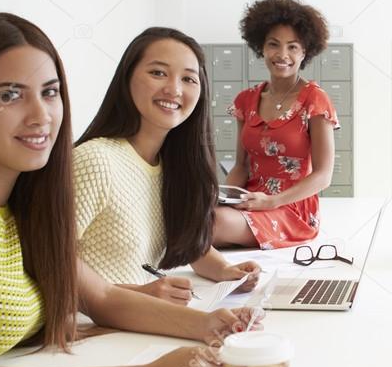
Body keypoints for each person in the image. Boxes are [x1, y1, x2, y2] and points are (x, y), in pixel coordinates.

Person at [0, 11, 260, 367]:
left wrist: (213, 325)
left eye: (49, 93)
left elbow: (101, 297)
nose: (41, 116)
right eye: (9, 96)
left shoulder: (26, 199)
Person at [74, 27, 260, 305]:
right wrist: (137, 294)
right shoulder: (94, 160)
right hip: (92, 327)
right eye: (158, 73)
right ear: (127, 79)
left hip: (141, 319)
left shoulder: (171, 166)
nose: (174, 89)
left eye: (188, 78)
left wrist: (223, 270)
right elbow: (46, 262)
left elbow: (186, 239)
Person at [213, 0, 339, 250]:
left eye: (293, 47)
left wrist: (271, 201)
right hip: (248, 200)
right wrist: (218, 198)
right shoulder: (245, 101)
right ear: (261, 47)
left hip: (289, 207)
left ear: (305, 52)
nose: (282, 55)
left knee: (213, 225)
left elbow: (323, 176)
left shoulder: (315, 100)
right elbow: (241, 166)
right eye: (274, 44)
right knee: (197, 218)